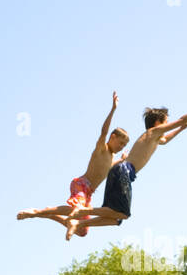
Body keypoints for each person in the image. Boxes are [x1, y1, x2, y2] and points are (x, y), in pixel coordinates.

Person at [66, 95, 187, 236]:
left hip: (120, 172)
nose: (167, 125)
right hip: (123, 171)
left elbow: (166, 140)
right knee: (123, 213)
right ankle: (80, 213)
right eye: (166, 122)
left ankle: (78, 224)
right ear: (158, 123)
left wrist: (180, 129)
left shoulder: (155, 139)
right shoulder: (153, 132)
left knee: (116, 218)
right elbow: (182, 119)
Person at [16, 92, 129, 238]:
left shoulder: (111, 157)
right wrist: (113, 109)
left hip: (89, 192)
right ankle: (35, 212)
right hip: (81, 184)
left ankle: (59, 219)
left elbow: (110, 165)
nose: (121, 146)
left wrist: (122, 159)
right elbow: (104, 131)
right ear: (112, 137)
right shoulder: (102, 148)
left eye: (124, 145)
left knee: (83, 231)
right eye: (121, 143)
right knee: (77, 209)